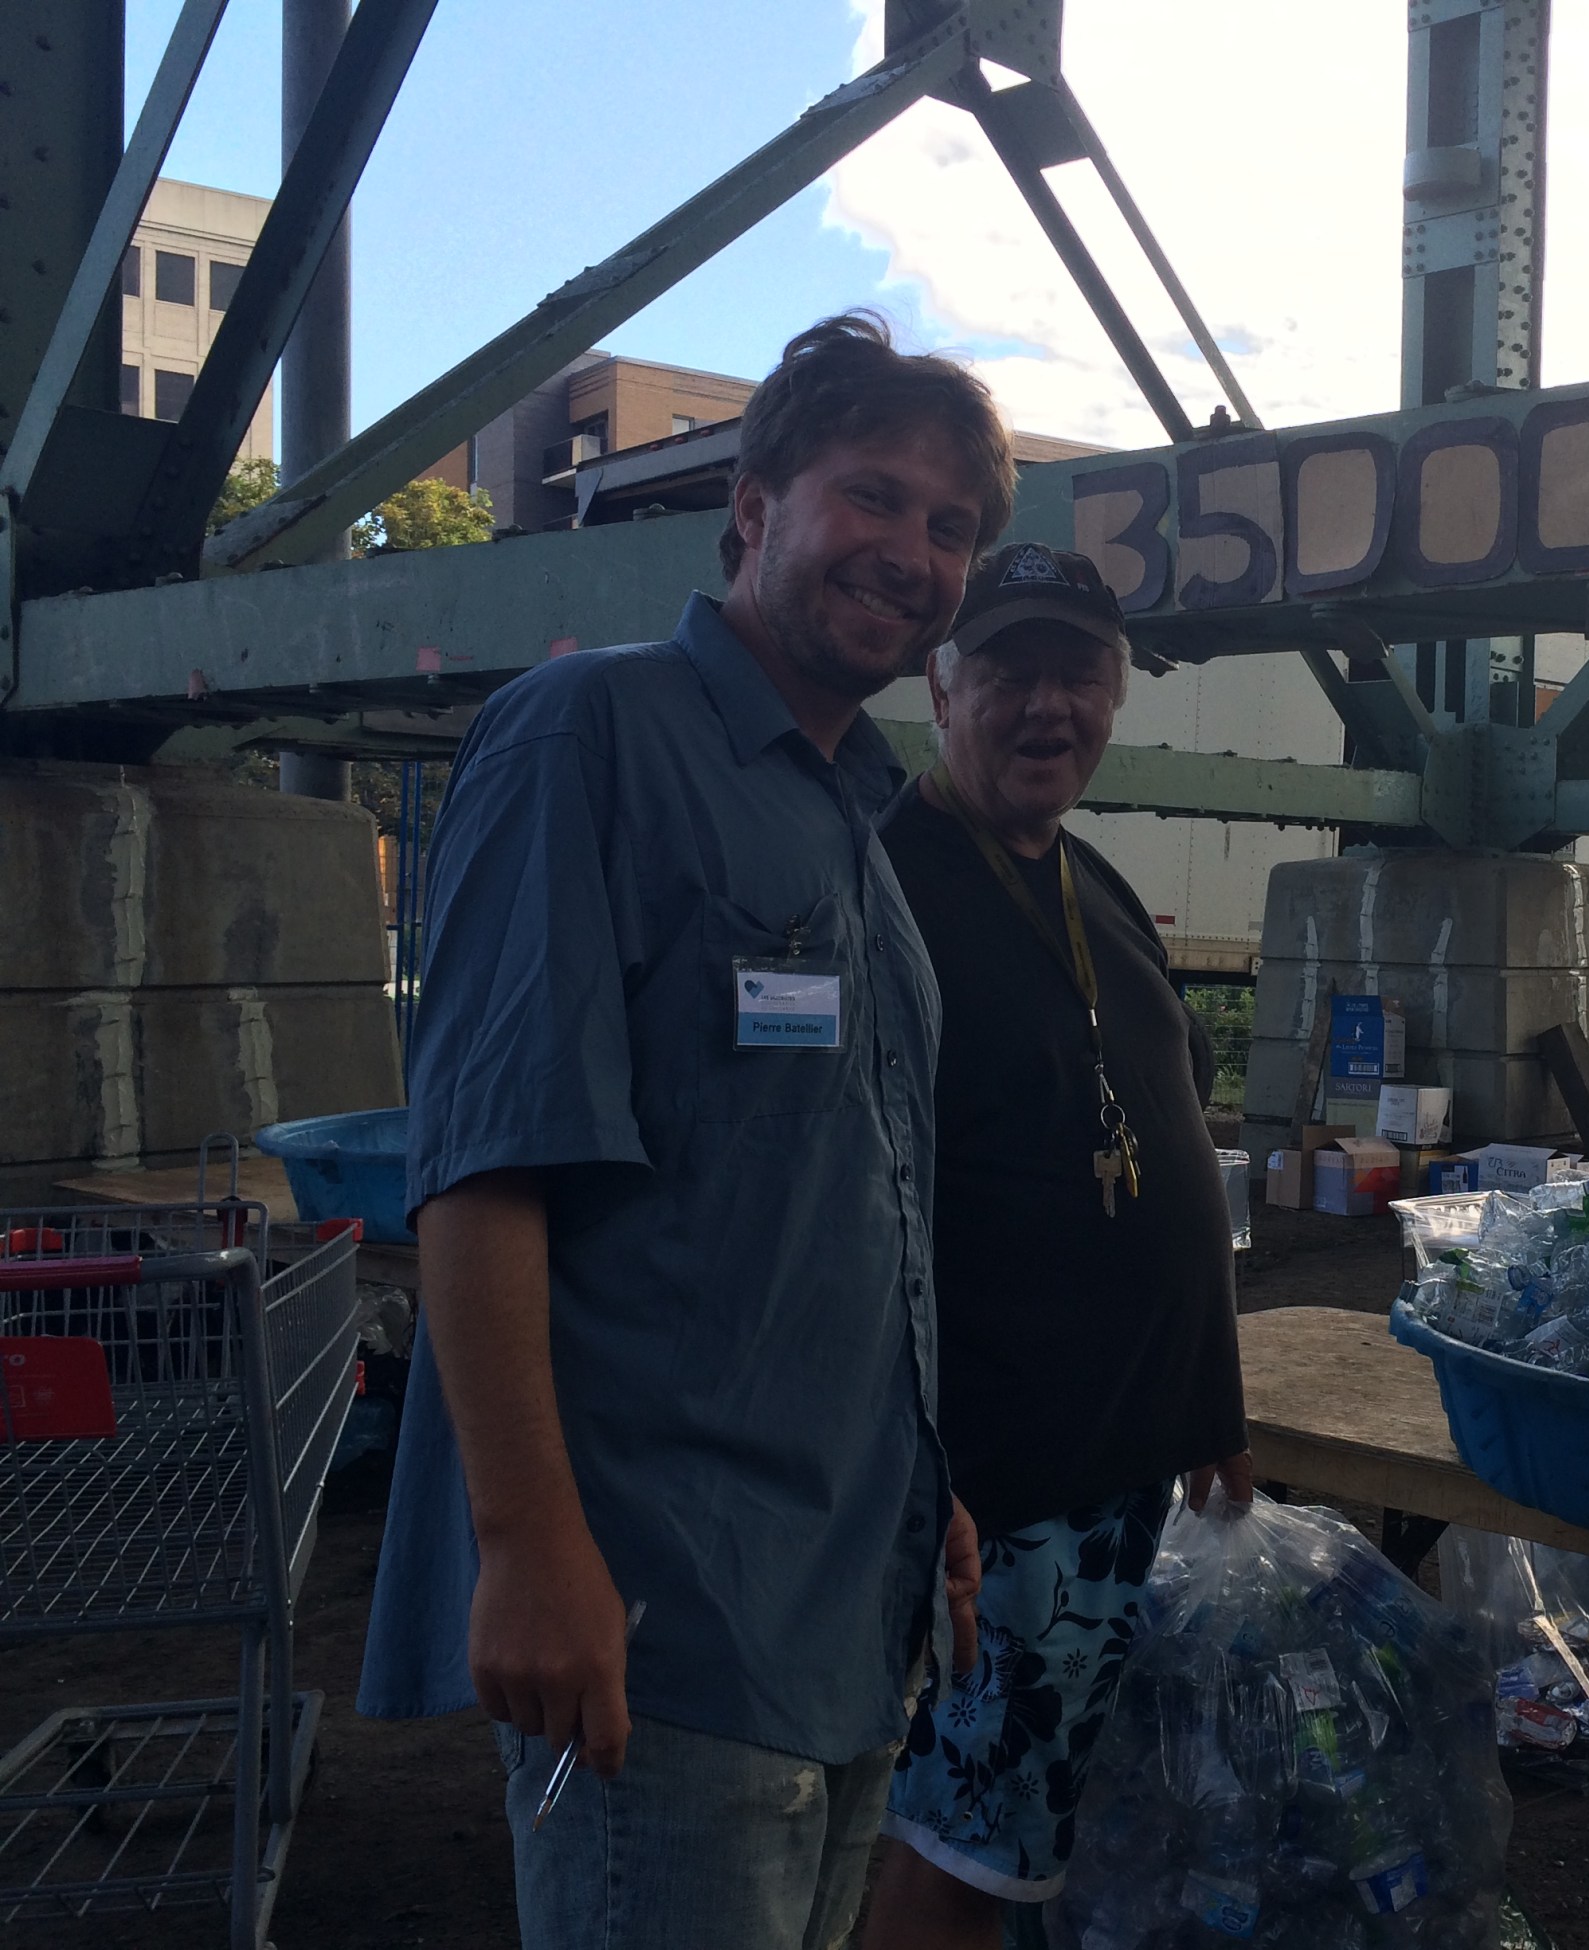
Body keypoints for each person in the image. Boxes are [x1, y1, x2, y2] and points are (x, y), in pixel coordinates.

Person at [358, 312, 1012, 1950]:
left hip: (846, 1617)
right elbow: (485, 1170)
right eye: (875, 496)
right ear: (754, 503)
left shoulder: (853, 818)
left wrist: (913, 1480)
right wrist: (525, 1546)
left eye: (953, 529)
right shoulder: (593, 741)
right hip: (663, 1630)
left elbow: (820, 1200)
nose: (915, 555)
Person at [857, 544, 1252, 1947]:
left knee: (1022, 1834)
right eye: (1009, 670)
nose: (1048, 706)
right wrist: (930, 1479)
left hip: (1114, 1461)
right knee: (965, 1845)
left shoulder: (1093, 881)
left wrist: (1209, 1400)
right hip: (993, 1483)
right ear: (940, 684)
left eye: (1078, 672)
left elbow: (1166, 1146)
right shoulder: (880, 890)